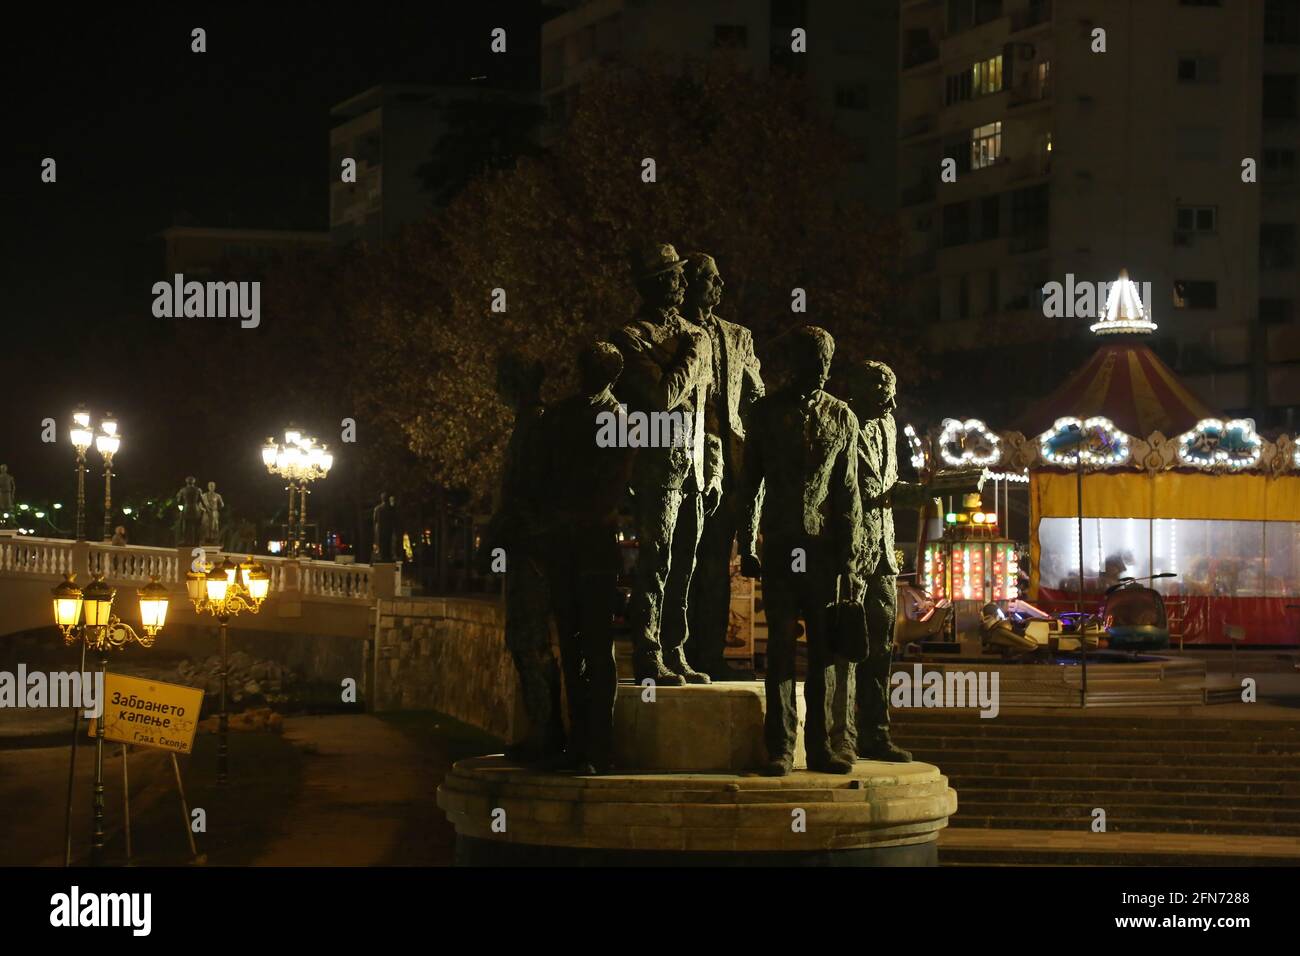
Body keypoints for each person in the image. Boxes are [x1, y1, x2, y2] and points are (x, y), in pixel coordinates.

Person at [738, 326, 863, 776]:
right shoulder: (767, 413)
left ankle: (823, 747)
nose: (824, 369)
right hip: (780, 543)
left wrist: (851, 556)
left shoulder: (842, 416)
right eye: (816, 359)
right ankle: (781, 748)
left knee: (824, 653)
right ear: (797, 362)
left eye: (828, 360)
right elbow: (749, 482)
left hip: (823, 550)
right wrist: (746, 540)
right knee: (780, 649)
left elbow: (849, 492)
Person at [612, 243, 722, 686]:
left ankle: (675, 651)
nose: (682, 283)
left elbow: (708, 410)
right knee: (655, 563)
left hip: (694, 468)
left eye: (681, 275)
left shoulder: (694, 331)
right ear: (655, 284)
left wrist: (713, 467)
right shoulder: (631, 337)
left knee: (685, 566)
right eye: (674, 276)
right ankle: (648, 653)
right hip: (656, 466)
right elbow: (660, 399)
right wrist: (694, 354)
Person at [539, 343, 635, 774]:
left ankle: (600, 744)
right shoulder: (558, 417)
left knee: (597, 649)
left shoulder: (623, 422)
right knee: (572, 645)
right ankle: (579, 742)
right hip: (565, 543)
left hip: (595, 543)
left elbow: (617, 485)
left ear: (610, 376)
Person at [838, 360, 931, 763]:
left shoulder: (886, 427)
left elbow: (885, 486)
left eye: (892, 391)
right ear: (860, 390)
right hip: (848, 551)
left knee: (881, 650)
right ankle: (839, 733)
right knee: (844, 646)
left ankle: (876, 733)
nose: (892, 402)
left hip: (882, 552)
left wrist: (924, 491)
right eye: (882, 391)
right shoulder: (839, 419)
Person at [681, 253, 765, 681]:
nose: (720, 287)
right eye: (711, 279)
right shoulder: (674, 330)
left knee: (714, 564)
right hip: (684, 459)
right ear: (689, 284)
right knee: (679, 563)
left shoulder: (738, 336)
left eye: (720, 279)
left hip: (729, 462)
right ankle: (674, 652)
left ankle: (709, 654)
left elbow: (755, 390)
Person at [481, 351, 566, 767]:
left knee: (529, 641)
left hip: (532, 548)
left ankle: (547, 733)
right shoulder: (533, 424)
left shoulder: (536, 426)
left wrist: (495, 535)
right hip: (529, 544)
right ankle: (544, 731)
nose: (496, 389)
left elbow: (523, 494)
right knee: (527, 641)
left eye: (501, 381)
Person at [176, 476, 202, 546]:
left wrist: (181, 510)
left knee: (185, 525)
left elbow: (179, 501)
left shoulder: (182, 490)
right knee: (195, 526)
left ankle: (185, 540)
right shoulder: (198, 490)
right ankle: (196, 541)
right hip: (195, 509)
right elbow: (201, 501)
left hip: (186, 508)